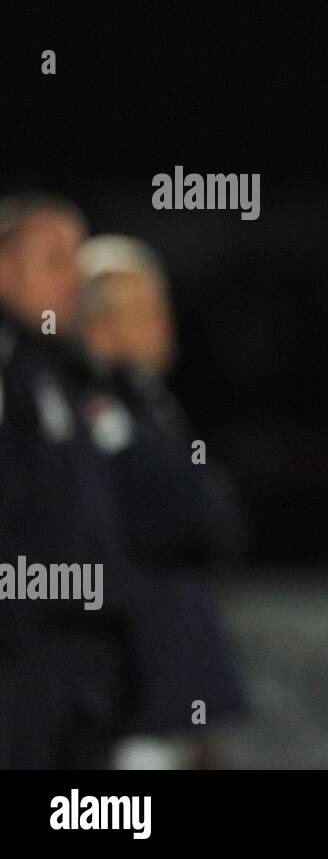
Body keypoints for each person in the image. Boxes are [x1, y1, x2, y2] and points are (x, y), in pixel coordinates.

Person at [76, 234, 250, 769]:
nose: (163, 322)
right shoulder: (94, 407)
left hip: (165, 687)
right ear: (99, 327)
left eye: (161, 305)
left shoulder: (154, 406)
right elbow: (182, 514)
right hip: (129, 687)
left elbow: (221, 520)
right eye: (144, 310)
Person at [0, 192, 130, 768]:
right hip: (25, 660)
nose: (74, 279)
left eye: (77, 262)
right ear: (4, 270)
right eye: (55, 260)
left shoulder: (61, 371)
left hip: (80, 656)